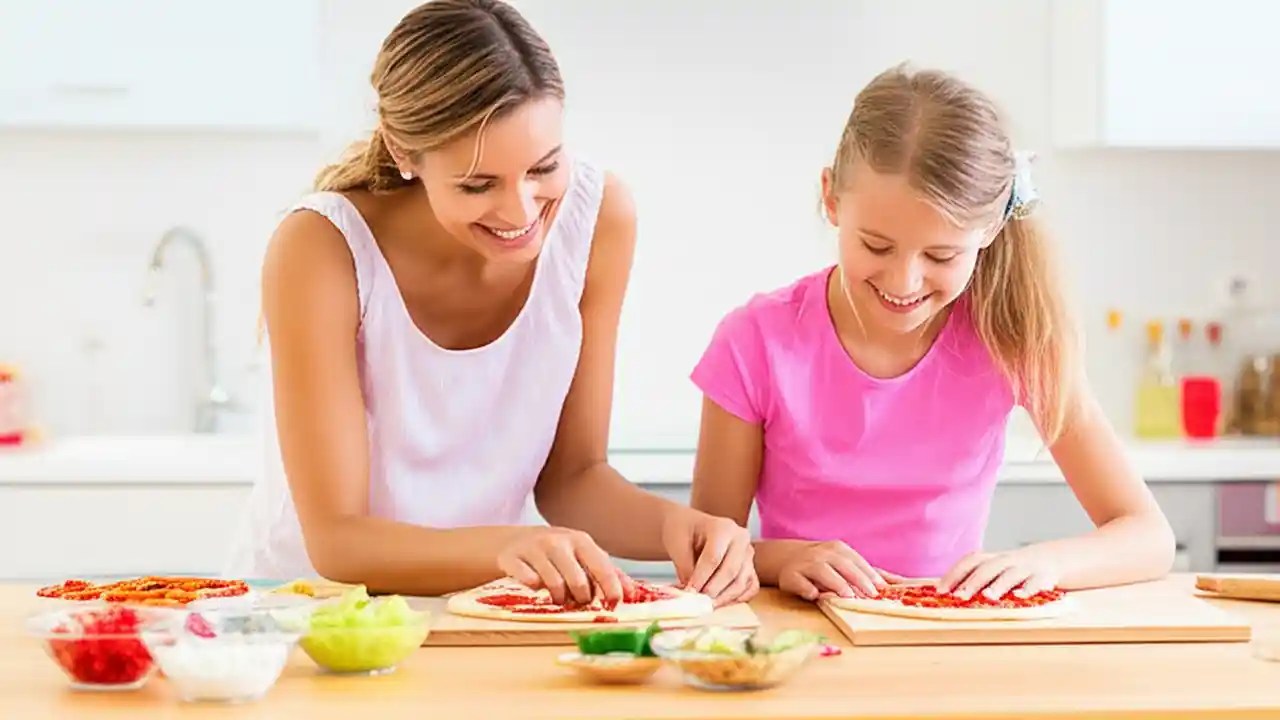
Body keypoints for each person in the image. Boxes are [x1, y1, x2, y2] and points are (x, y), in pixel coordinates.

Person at [224, 0, 756, 608]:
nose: (521, 212)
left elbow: (573, 478)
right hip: (314, 616)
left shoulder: (597, 217)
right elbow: (338, 543)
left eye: (543, 167)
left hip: (481, 607)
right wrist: (509, 547)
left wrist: (674, 526)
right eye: (478, 185)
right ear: (403, 152)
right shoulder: (321, 248)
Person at [687, 63, 1175, 604]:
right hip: (800, 642)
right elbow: (709, 552)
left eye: (941, 255)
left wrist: (1041, 562)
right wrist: (785, 558)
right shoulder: (755, 342)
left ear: (989, 229)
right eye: (876, 246)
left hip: (948, 645)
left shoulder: (1013, 337)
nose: (904, 281)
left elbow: (1148, 535)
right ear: (831, 199)